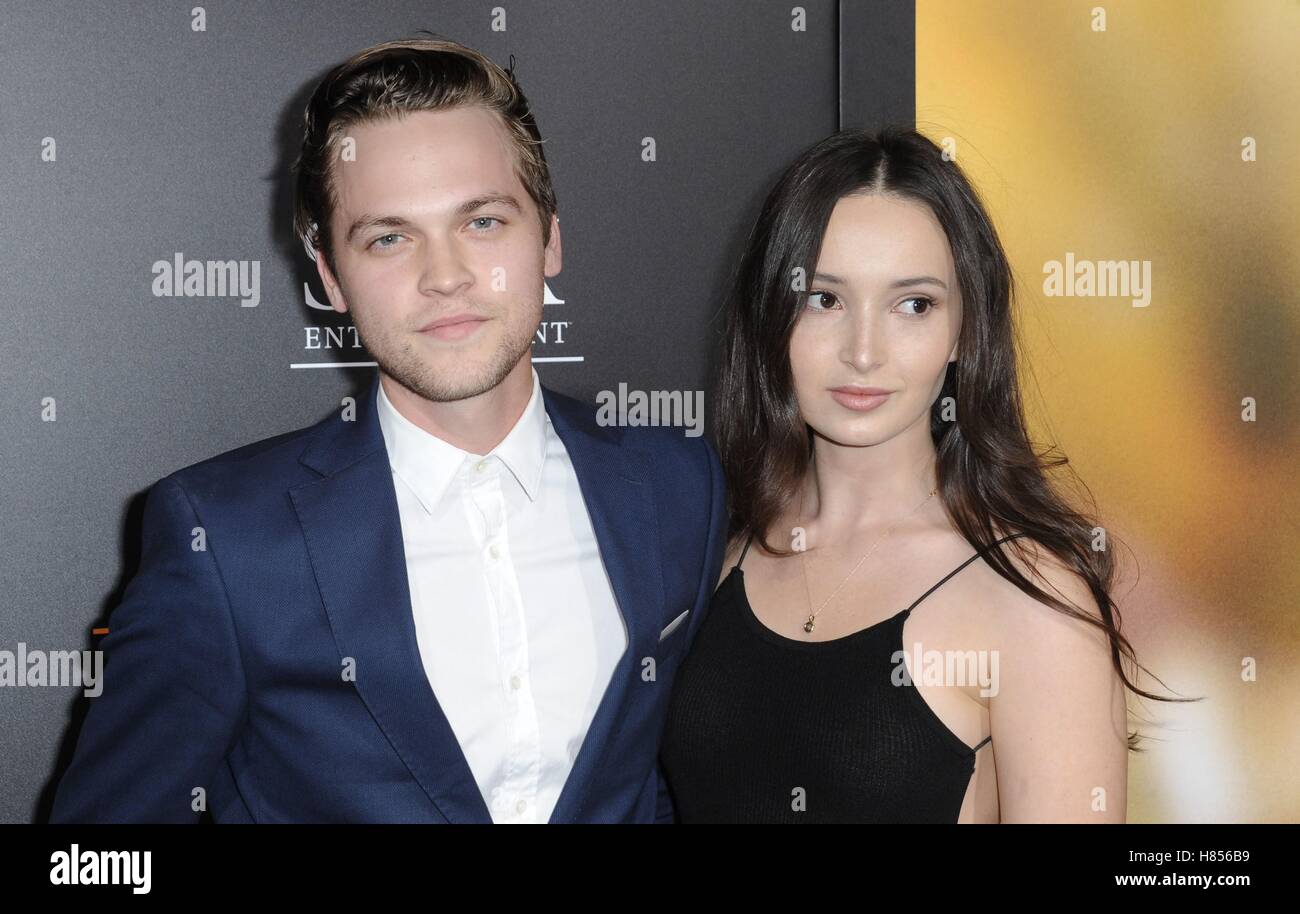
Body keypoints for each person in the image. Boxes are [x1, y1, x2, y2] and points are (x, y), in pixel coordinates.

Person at [50, 35, 726, 824]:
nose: (445, 276)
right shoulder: (226, 544)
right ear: (331, 277)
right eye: (389, 238)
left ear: (549, 239)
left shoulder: (679, 482)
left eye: (481, 221)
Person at [660, 126, 1171, 823]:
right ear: (771, 313)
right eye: (825, 299)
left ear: (964, 329)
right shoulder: (716, 551)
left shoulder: (1032, 599)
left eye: (914, 305)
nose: (864, 352)